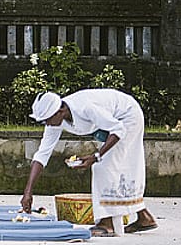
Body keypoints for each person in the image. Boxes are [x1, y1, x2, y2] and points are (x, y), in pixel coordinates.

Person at [21, 88, 157, 237]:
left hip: (128, 116)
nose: (46, 124)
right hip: (115, 123)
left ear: (60, 111)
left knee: (103, 167)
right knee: (116, 167)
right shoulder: (54, 121)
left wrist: (96, 156)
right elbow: (42, 154)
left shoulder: (85, 107)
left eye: (47, 119)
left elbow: (117, 129)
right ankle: (145, 217)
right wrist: (28, 192)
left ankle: (107, 223)